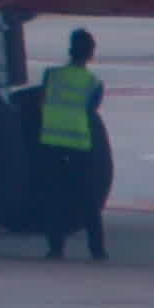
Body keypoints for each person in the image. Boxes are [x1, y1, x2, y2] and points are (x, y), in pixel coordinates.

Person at [40, 28, 110, 261]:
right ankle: (97, 250)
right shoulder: (94, 83)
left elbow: (42, 102)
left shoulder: (51, 75)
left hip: (51, 142)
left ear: (70, 50)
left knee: (54, 198)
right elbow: (91, 112)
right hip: (79, 144)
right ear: (90, 53)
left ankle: (55, 249)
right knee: (88, 200)